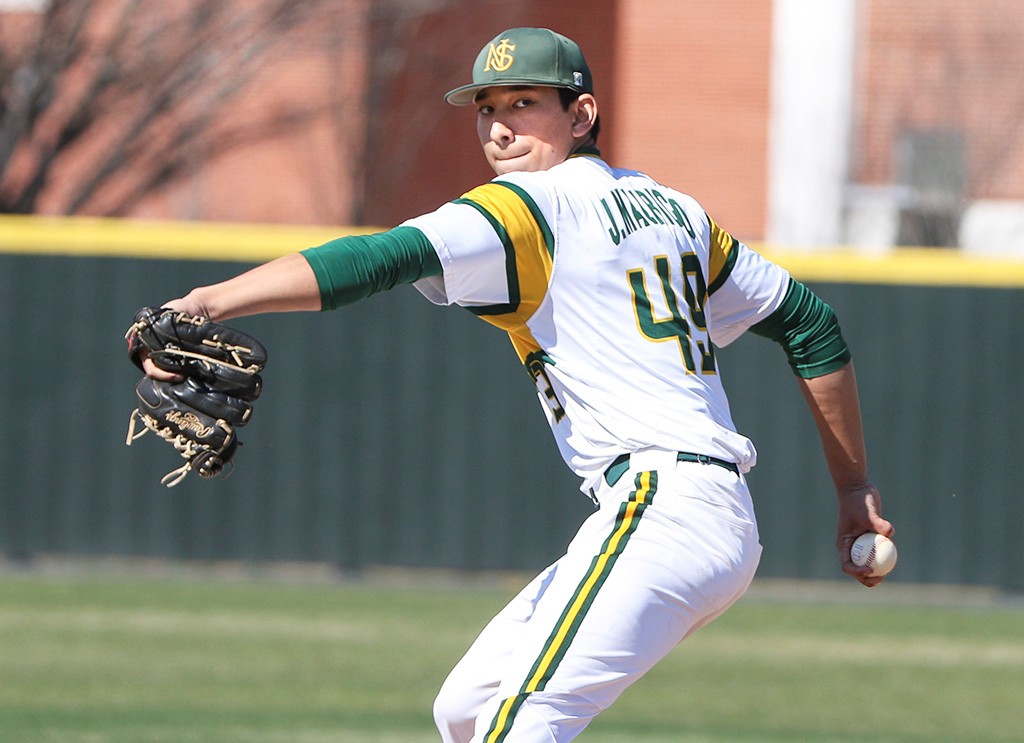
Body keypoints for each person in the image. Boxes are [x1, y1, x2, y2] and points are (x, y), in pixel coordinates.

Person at [139, 27, 894, 743]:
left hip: (663, 509)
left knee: (523, 718)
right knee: (468, 711)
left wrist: (207, 302)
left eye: (524, 103)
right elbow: (811, 323)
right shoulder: (677, 212)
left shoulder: (525, 206)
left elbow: (378, 258)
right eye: (487, 108)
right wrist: (854, 489)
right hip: (688, 514)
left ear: (582, 114)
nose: (499, 128)